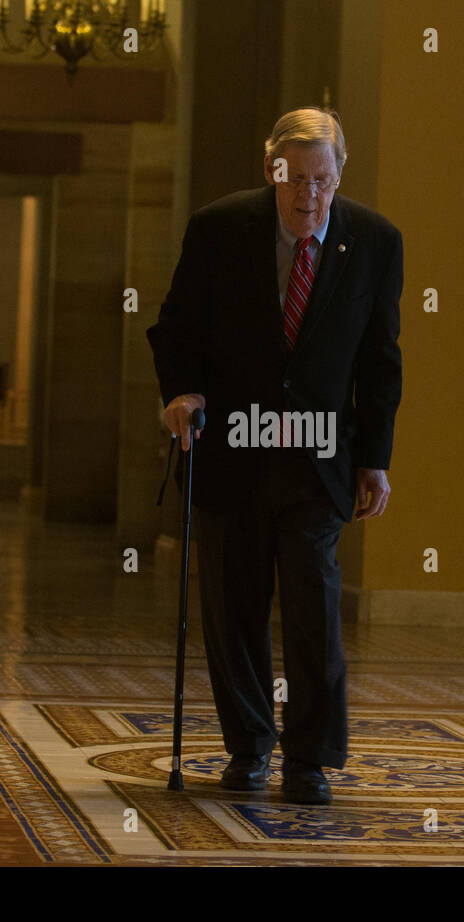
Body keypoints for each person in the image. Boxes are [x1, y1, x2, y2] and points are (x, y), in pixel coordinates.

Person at [147, 108, 403, 804]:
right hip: (231, 448)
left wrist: (373, 459)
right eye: (294, 179)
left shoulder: (375, 242)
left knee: (315, 610)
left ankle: (309, 760)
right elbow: (175, 328)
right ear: (271, 171)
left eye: (322, 181)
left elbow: (381, 362)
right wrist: (182, 394)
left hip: (318, 459)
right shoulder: (220, 228)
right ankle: (249, 745)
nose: (307, 196)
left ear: (339, 176)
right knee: (233, 608)